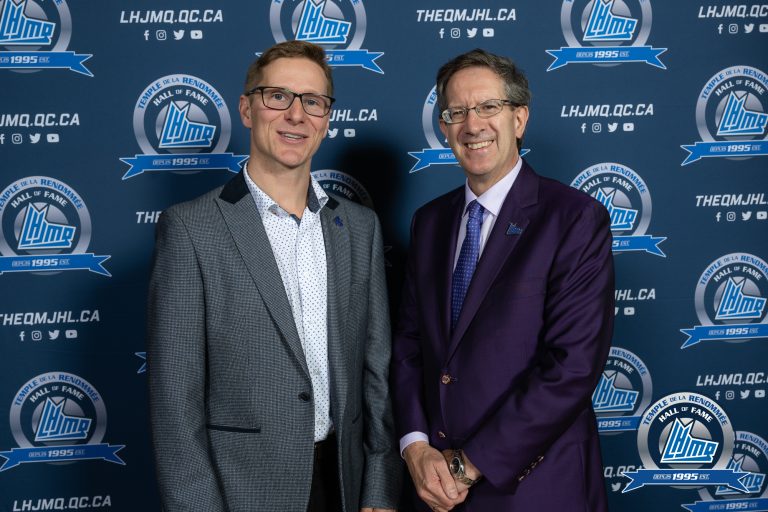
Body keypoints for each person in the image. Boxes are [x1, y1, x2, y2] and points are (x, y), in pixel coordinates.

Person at [147, 40, 400, 512]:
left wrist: (380, 486)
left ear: (326, 119)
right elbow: (174, 402)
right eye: (278, 96)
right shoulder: (190, 228)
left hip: (344, 483)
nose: (296, 114)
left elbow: (377, 371)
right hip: (242, 490)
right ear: (247, 109)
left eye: (313, 101)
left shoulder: (359, 228)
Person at [391, 49, 614, 512]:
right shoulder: (429, 223)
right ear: (445, 126)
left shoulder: (573, 219)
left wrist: (467, 466)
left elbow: (570, 367)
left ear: (519, 118)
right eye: (456, 112)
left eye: (488, 107)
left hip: (536, 488)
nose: (473, 125)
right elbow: (410, 345)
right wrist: (415, 445)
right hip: (435, 491)